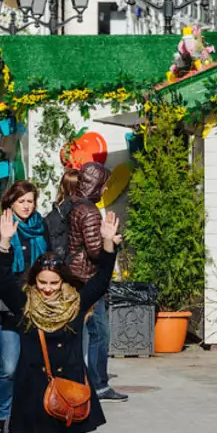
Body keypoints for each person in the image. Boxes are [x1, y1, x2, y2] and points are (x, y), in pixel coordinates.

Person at [0, 206, 122, 433]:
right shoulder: (25, 304)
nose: (48, 289)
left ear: (63, 281)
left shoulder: (75, 302)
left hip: (69, 390)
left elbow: (102, 279)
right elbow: (2, 279)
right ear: (34, 281)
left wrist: (108, 244)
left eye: (54, 283)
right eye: (42, 282)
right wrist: (4, 243)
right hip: (33, 391)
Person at [0, 181, 50, 433]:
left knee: (35, 365)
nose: (27, 206)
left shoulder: (42, 228)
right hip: (7, 308)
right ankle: (0, 415)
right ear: (11, 202)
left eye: (30, 201)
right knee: (9, 366)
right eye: (22, 201)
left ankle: (29, 414)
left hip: (39, 308)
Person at [59, 164, 127, 403]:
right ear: (95, 183)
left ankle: (83, 378)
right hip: (86, 277)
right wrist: (112, 240)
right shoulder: (88, 210)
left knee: (81, 332)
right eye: (105, 183)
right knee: (99, 332)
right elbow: (96, 251)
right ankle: (99, 384)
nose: (107, 187)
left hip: (72, 275)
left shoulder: (72, 203)